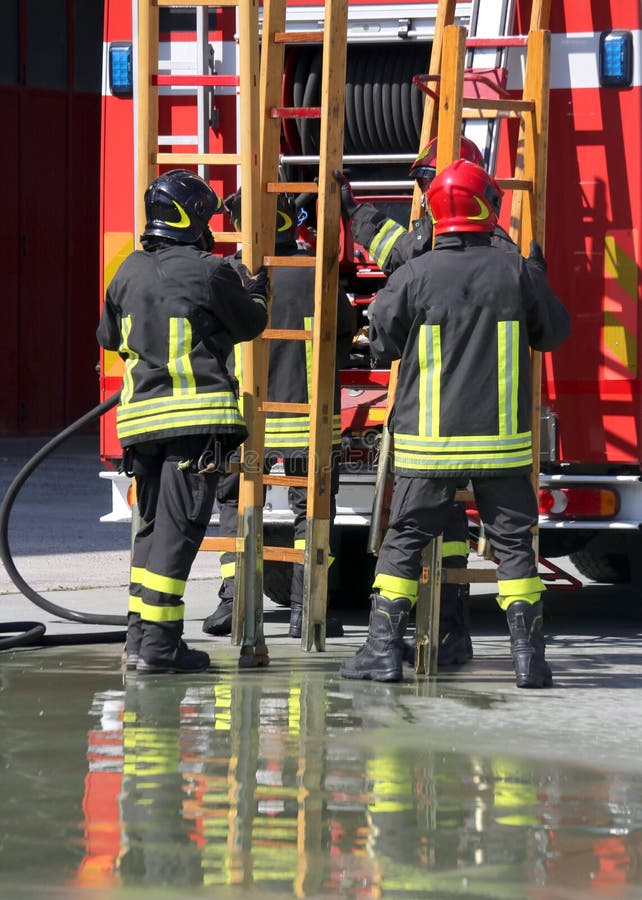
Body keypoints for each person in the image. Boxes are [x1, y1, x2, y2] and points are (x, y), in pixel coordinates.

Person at [339, 158, 570, 688]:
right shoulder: (515, 269)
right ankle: (529, 661)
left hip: (429, 445)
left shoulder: (415, 274)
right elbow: (553, 333)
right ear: (487, 206)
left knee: (403, 541)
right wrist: (538, 274)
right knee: (514, 547)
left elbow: (382, 344)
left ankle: (382, 652)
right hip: (502, 446)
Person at [334, 136, 507, 668]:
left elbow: (400, 257)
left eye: (429, 181)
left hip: (430, 418)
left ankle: (385, 647)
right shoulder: (501, 250)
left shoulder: (447, 243)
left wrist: (354, 212)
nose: (426, 192)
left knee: (404, 533)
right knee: (452, 531)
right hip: (482, 419)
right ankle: (452, 636)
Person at [96, 169, 270, 674]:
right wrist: (255, 291)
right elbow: (251, 323)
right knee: (177, 534)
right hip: (193, 426)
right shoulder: (211, 270)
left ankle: (139, 641)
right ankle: (160, 647)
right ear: (193, 219)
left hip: (139, 427)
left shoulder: (126, 269)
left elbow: (108, 337)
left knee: (150, 532)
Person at [202, 190, 357, 639]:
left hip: (244, 422)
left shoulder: (228, 275)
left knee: (236, 503)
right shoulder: (317, 272)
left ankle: (234, 600)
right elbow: (343, 336)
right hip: (308, 421)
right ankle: (307, 608)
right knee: (311, 511)